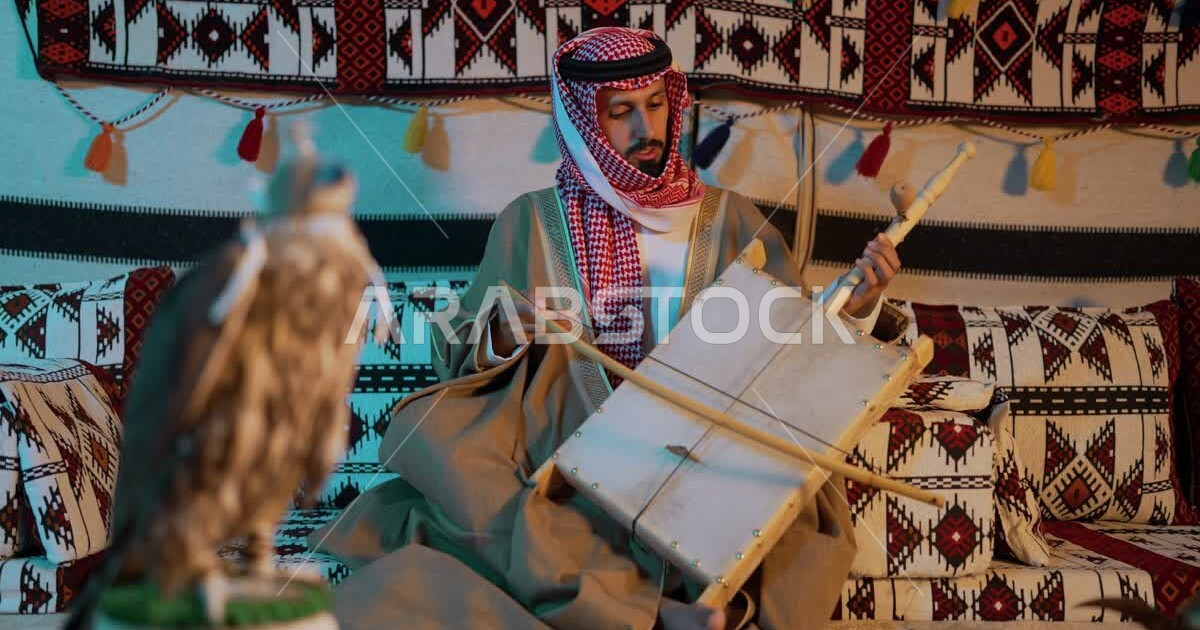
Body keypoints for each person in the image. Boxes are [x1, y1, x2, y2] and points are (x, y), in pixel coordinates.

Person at [311, 27, 908, 630]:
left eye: (655, 104)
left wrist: (858, 304)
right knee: (445, 442)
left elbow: (796, 346)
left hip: (705, 443)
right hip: (567, 447)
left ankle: (666, 603)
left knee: (786, 485)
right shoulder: (531, 221)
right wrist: (505, 333)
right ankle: (646, 611)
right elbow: (459, 345)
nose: (647, 129)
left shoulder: (732, 220)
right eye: (621, 112)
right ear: (581, 123)